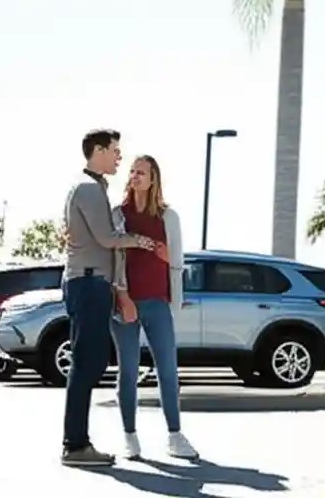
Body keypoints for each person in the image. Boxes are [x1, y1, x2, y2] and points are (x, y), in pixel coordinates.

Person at [62, 129, 158, 467]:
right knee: (87, 362)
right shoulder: (88, 188)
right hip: (87, 284)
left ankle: (76, 443)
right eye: (115, 151)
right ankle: (74, 445)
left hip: (93, 284)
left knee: (92, 361)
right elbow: (105, 237)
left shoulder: (94, 187)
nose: (120, 157)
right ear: (98, 151)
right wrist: (138, 241)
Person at [110, 154, 198, 460]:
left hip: (158, 302)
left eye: (142, 172)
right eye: (133, 171)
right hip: (125, 303)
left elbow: (178, 261)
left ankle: (175, 435)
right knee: (128, 370)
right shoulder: (117, 215)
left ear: (153, 179)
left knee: (168, 370)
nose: (135, 176)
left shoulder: (167, 217)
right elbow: (112, 260)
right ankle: (129, 436)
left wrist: (165, 256)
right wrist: (123, 297)